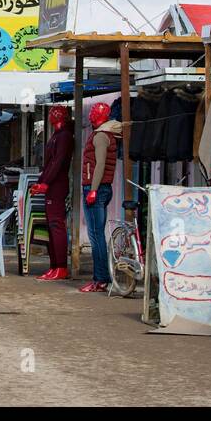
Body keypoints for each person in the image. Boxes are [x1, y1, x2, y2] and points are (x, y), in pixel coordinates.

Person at [80, 102, 120, 293]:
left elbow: (100, 164)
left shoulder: (101, 136)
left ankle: (101, 279)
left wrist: (93, 189)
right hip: (101, 187)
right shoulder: (106, 134)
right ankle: (101, 277)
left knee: (95, 236)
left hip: (96, 188)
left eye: (93, 113)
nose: (91, 116)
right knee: (97, 234)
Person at [32, 106, 74, 281]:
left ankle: (61, 267)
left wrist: (45, 182)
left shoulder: (64, 137)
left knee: (56, 226)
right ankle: (54, 266)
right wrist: (41, 182)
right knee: (51, 226)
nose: (51, 115)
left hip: (57, 186)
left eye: (54, 113)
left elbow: (58, 162)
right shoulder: (57, 135)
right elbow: (50, 163)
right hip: (51, 185)